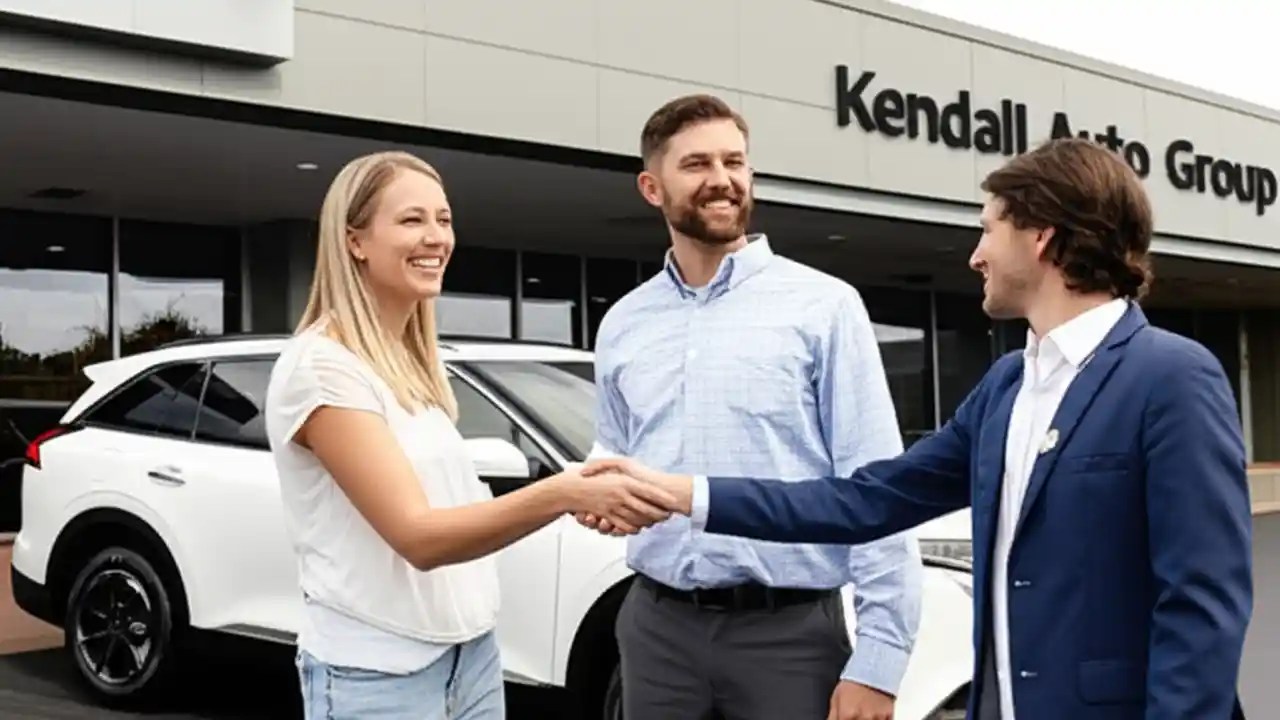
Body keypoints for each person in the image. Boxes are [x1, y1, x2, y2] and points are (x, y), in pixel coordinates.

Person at [584, 137, 1255, 720]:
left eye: (988, 230)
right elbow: (867, 500)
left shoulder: (1171, 377)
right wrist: (684, 494)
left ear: (1042, 237)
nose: (975, 256)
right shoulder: (1006, 386)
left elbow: (1202, 606)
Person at [263, 150, 678, 720]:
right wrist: (566, 492)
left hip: (472, 659)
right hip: (378, 675)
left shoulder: (411, 364)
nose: (436, 237)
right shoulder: (323, 368)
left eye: (444, 219)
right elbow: (419, 536)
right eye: (412, 220)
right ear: (354, 240)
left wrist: (586, 488)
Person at [582, 94, 924, 720]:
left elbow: (877, 486)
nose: (722, 179)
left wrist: (879, 660)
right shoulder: (624, 322)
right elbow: (615, 450)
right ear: (651, 188)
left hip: (788, 638)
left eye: (734, 161)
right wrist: (598, 496)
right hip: (657, 631)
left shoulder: (825, 306)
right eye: (697, 164)